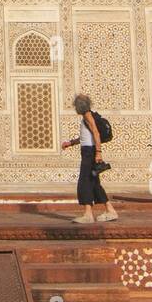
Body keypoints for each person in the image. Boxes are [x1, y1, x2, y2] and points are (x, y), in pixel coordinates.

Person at [61, 93, 119, 223]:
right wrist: (71, 143)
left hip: (89, 152)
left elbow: (96, 133)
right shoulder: (87, 116)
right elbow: (86, 137)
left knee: (85, 182)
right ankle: (110, 210)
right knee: (94, 184)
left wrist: (98, 152)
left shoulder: (88, 116)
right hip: (88, 151)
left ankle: (88, 214)